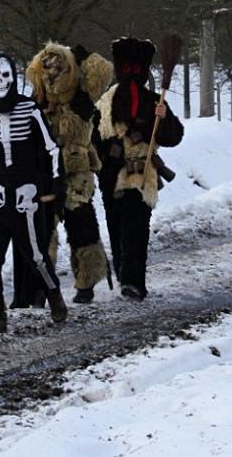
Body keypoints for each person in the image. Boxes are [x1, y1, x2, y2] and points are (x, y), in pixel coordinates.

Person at [0, 53, 68, 333]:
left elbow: (51, 148)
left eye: (5, 76)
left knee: (36, 256)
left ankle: (54, 294)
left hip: (25, 197)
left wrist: (56, 185)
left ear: (13, 80)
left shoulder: (29, 109)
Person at [13, 42, 113, 306]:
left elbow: (103, 72)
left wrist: (84, 55)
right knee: (44, 229)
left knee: (81, 223)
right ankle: (41, 284)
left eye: (59, 67)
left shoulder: (81, 97)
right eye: (48, 67)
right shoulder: (38, 100)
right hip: (44, 172)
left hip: (76, 171)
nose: (53, 72)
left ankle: (87, 281)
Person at [93, 37, 183, 301]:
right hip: (111, 174)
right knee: (116, 225)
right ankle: (123, 272)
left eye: (136, 68)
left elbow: (174, 137)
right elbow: (93, 137)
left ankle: (134, 281)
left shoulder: (157, 102)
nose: (131, 73)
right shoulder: (105, 103)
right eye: (127, 67)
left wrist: (164, 119)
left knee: (137, 227)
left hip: (142, 173)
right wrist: (100, 165)